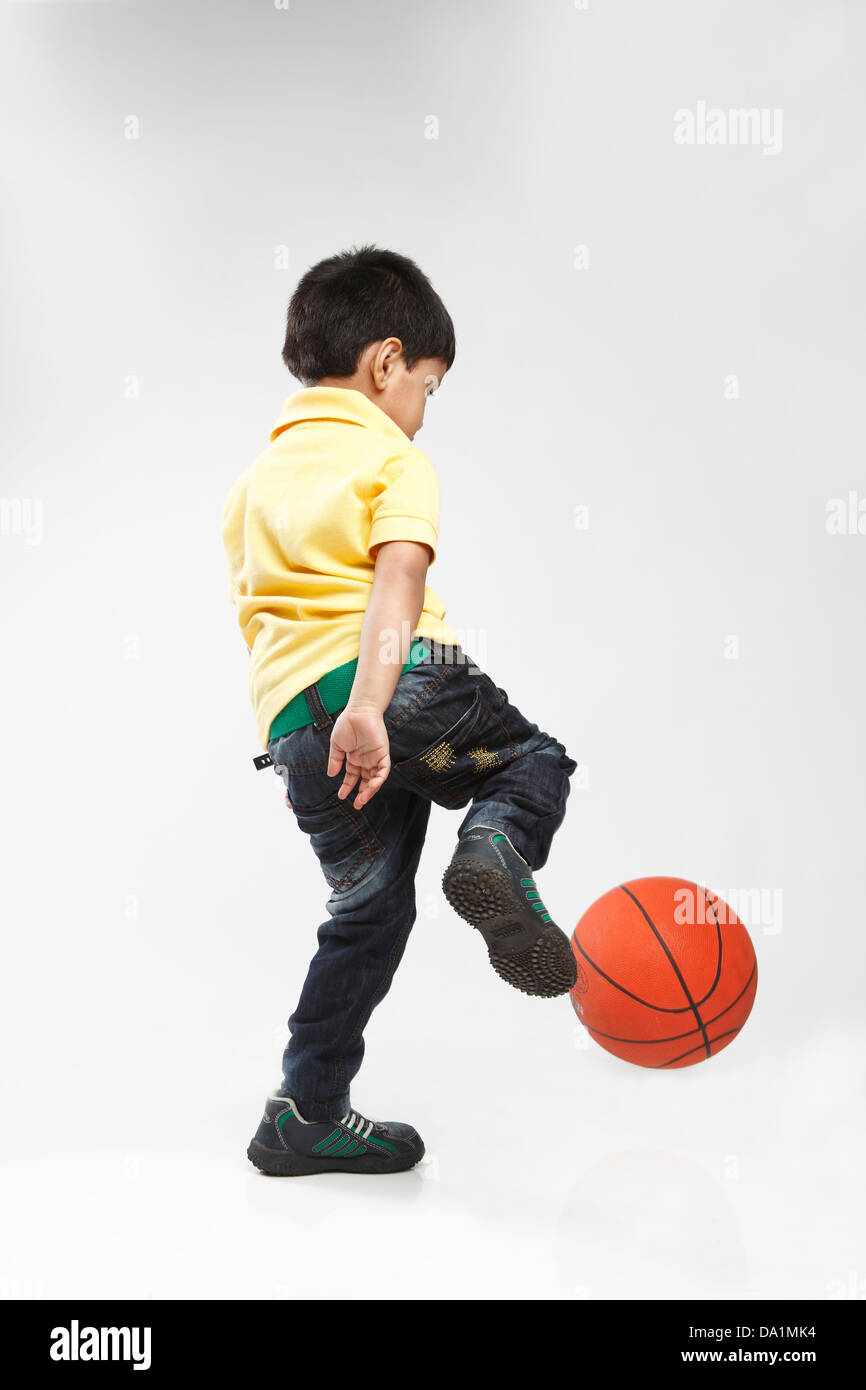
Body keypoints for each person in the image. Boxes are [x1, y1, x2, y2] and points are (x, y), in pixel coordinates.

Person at [222, 246, 578, 1177]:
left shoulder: (252, 486)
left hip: (296, 730)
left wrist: (323, 720)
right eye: (428, 384)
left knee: (366, 915)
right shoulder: (390, 454)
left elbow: (262, 616)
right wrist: (373, 704)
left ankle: (304, 1112)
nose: (423, 408)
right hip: (395, 689)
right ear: (386, 363)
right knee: (532, 763)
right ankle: (494, 852)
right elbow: (400, 580)